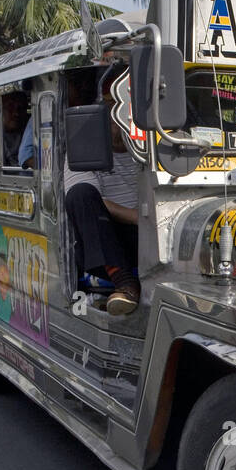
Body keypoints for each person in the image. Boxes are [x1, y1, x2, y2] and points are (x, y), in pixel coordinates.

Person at [64, 98, 141, 315]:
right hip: (105, 235)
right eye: (117, 118)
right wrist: (140, 218)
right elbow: (93, 202)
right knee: (80, 194)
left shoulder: (151, 151)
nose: (125, 123)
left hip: (151, 230)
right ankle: (125, 283)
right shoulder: (84, 153)